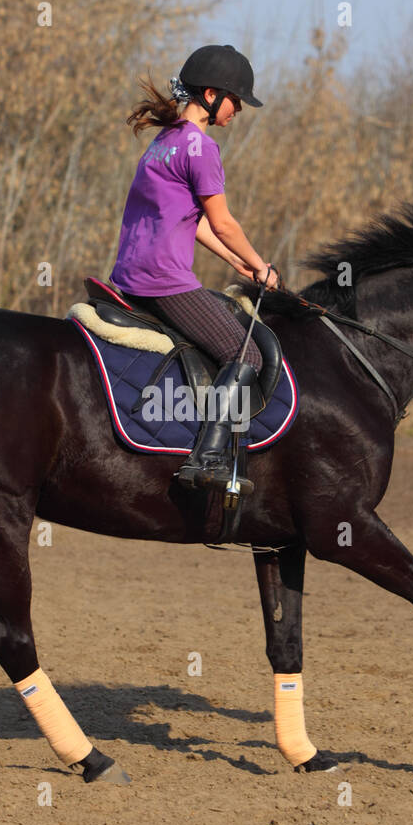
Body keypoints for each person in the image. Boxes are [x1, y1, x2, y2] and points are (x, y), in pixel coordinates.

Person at [110, 44, 279, 494]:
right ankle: (208, 457)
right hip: (164, 281)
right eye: (236, 99)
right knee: (245, 354)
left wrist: (236, 261)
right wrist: (262, 268)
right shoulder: (201, 148)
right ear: (210, 94)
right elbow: (223, 221)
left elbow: (193, 220)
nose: (239, 108)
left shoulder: (163, 142)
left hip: (129, 276)